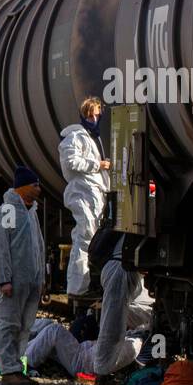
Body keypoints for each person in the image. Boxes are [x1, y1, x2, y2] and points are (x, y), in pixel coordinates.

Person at [0, 166, 46, 385]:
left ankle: (17, 366)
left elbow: (38, 247)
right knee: (8, 323)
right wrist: (3, 279)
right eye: (35, 185)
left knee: (23, 324)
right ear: (22, 187)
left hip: (30, 281)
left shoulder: (30, 213)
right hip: (12, 282)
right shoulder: (8, 212)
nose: (39, 189)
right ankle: (8, 370)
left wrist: (41, 277)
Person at [59, 97, 111, 297]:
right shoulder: (75, 136)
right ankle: (78, 287)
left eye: (97, 114)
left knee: (92, 237)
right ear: (84, 114)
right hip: (82, 192)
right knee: (84, 237)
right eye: (91, 114)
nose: (94, 118)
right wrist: (98, 165)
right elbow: (70, 162)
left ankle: (89, 283)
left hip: (93, 193)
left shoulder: (91, 137)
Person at [94, 235, 154, 377]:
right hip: (121, 268)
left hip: (125, 267)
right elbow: (111, 332)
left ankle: (105, 367)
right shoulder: (123, 273)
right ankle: (102, 371)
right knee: (113, 328)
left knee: (118, 323)